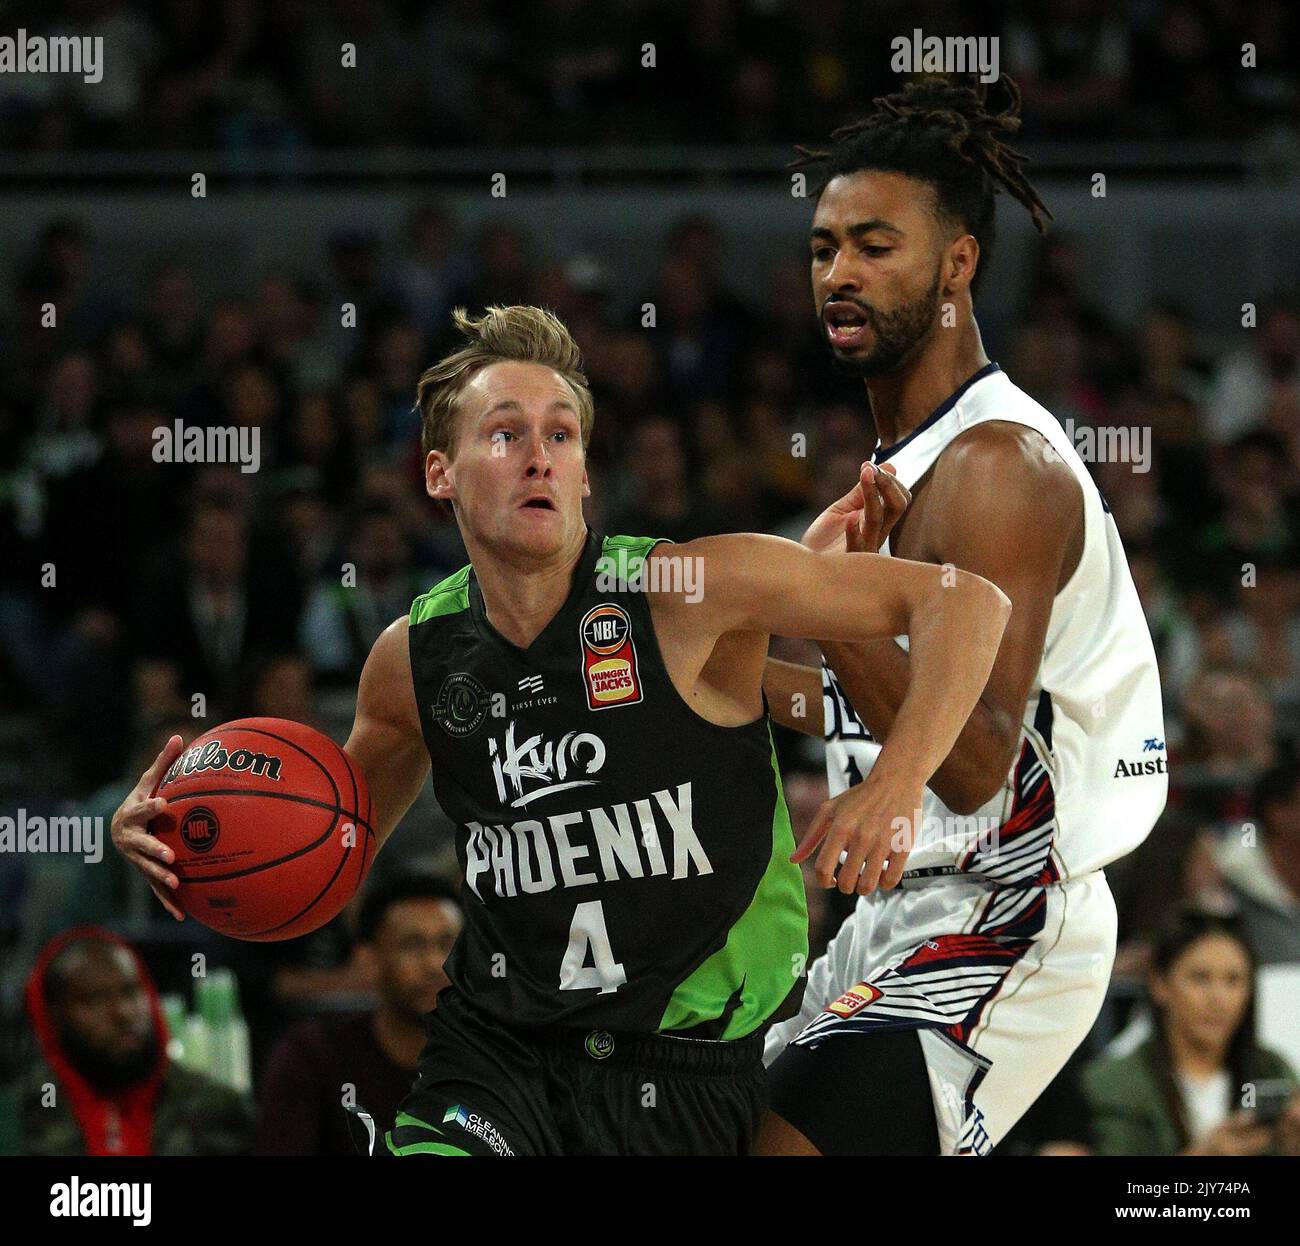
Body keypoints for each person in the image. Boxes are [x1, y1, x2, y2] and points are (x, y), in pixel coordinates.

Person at [112, 303, 1010, 1157]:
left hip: (688, 1060)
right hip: (498, 1046)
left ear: (584, 473)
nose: (538, 457)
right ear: (439, 473)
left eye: (561, 436)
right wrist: (188, 848)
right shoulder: (411, 661)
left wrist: (896, 784)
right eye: (505, 434)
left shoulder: (685, 592)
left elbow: (965, 602)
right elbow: (322, 863)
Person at [759, 74, 1168, 1156]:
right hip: (907, 907)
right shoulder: (906, 464)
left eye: (873, 245)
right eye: (821, 247)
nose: (838, 272)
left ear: (957, 263)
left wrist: (832, 602)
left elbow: (976, 759)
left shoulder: (996, 467)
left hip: (1009, 908)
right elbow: (880, 722)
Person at [255, 873, 463, 1156]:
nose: (434, 964)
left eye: (447, 944)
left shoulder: (495, 1058)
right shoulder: (312, 1056)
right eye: (411, 945)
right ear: (369, 959)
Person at [0, 927, 253, 1156]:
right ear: (54, 1016)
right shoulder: (19, 1117)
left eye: (131, 991)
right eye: (95, 1000)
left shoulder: (217, 1109)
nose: (123, 1013)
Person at [1082, 909, 1300, 1155]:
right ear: (1159, 983)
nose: (1219, 999)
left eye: (1233, 980)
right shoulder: (1113, 1084)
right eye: (1200, 978)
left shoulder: (1273, 1070)